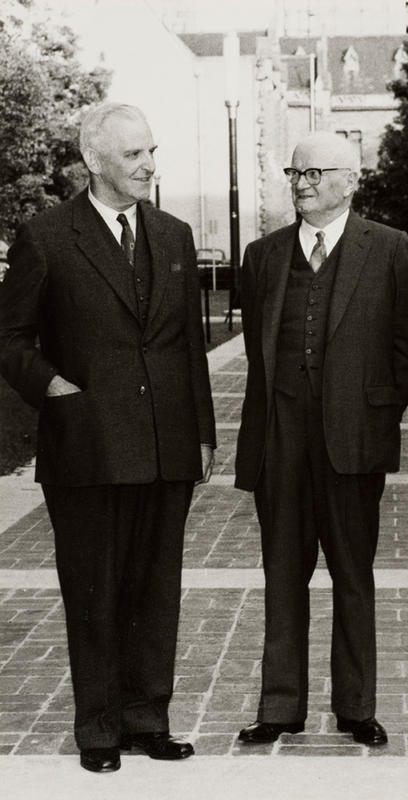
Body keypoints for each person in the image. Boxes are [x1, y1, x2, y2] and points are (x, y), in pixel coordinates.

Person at [0, 103, 216, 773]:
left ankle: (148, 719)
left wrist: (202, 433)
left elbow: (189, 346)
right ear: (94, 162)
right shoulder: (46, 236)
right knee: (93, 592)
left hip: (165, 447)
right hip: (87, 446)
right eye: (133, 155)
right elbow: (9, 337)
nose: (149, 165)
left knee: (155, 590)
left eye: (152, 151)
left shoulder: (174, 235)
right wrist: (54, 388)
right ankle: (97, 729)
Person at [234, 131, 408, 745]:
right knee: (281, 575)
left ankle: (356, 707)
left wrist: (373, 411)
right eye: (296, 173)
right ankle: (280, 707)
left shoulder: (389, 247)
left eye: (316, 172)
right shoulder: (263, 256)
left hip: (353, 444)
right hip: (280, 443)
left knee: (353, 574)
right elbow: (256, 353)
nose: (303, 183)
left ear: (351, 180)